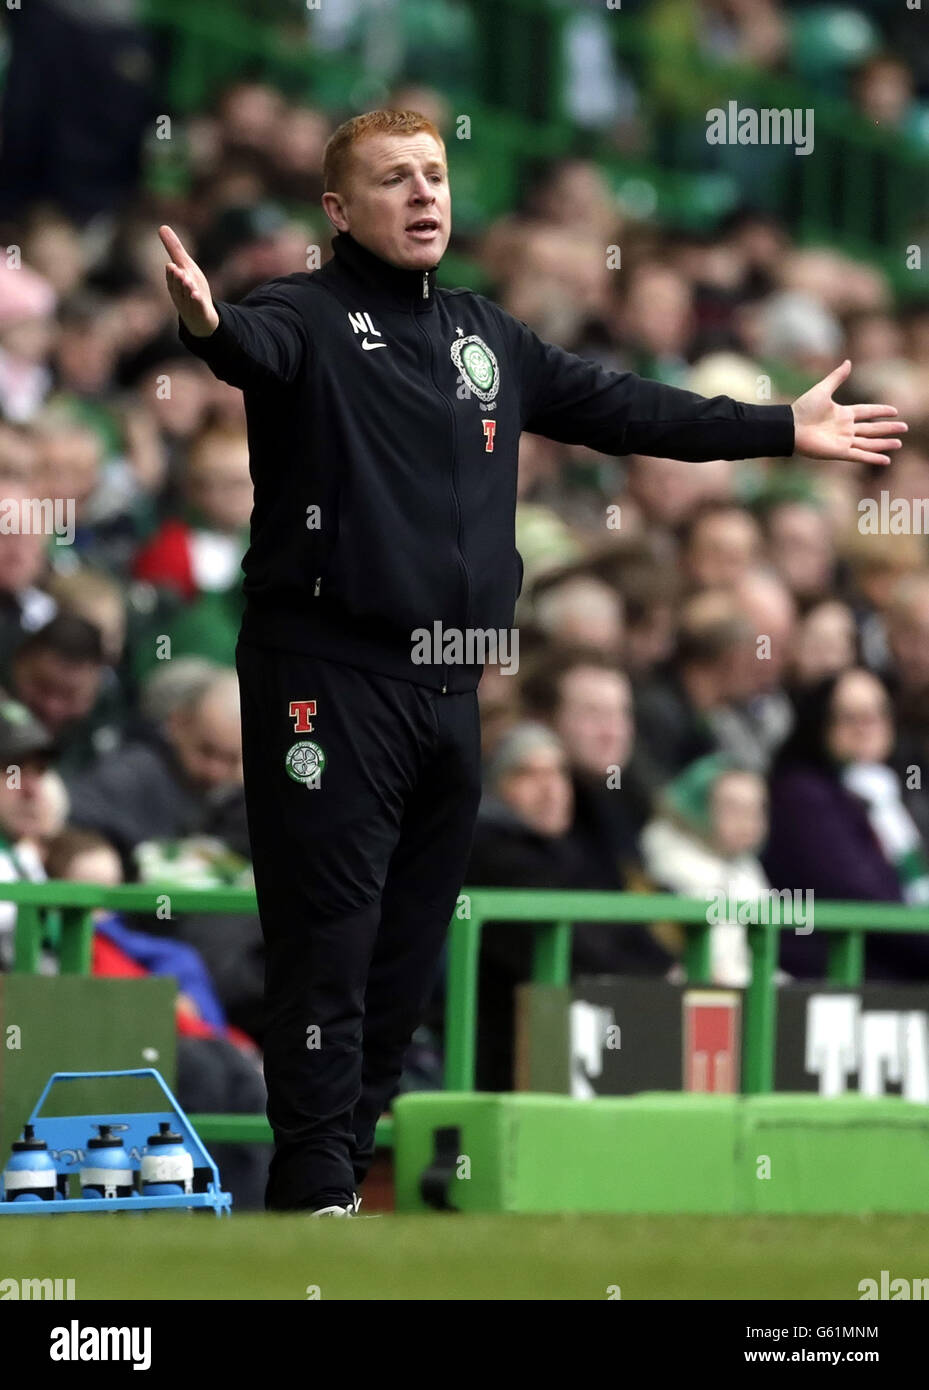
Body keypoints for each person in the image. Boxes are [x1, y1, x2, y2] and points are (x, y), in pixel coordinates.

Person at [161, 107, 906, 1218]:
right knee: (330, 939)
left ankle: (336, 1178)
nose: (423, 195)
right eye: (393, 180)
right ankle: (312, 1191)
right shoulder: (301, 316)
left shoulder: (485, 336)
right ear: (337, 210)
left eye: (434, 174)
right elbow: (248, 350)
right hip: (327, 672)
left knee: (405, 956)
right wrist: (210, 329)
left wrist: (771, 428)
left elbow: (621, 408)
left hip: (453, 685)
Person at [764, 668, 929, 981]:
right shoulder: (801, 796)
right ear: (821, 723)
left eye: (877, 714)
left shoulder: (898, 791)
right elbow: (859, 894)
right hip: (843, 973)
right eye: (850, 717)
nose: (867, 727)